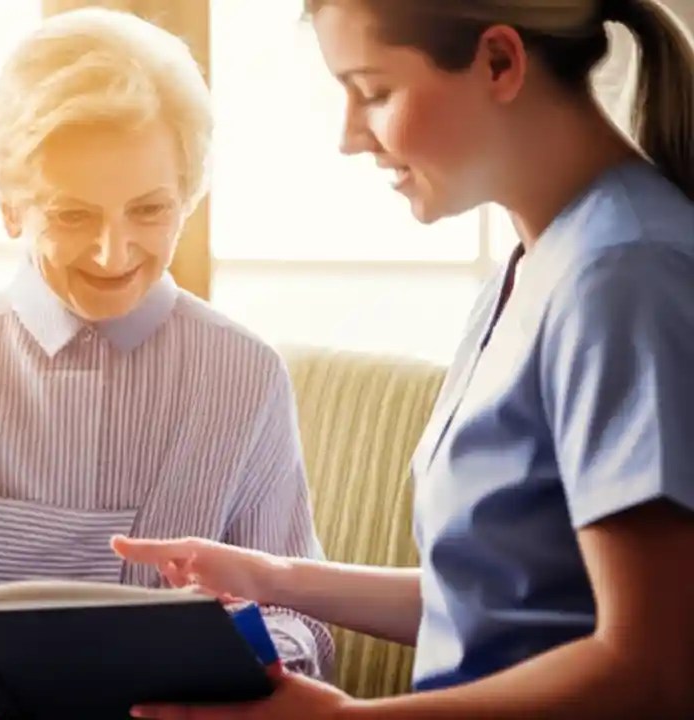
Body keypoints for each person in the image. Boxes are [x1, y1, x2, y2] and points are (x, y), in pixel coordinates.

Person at [113, 0, 694, 718]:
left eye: (376, 92)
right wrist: (272, 576)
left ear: (500, 62)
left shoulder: (625, 277)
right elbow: (496, 606)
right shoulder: (536, 263)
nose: (351, 136)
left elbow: (652, 672)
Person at [0, 8, 336, 720]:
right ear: (11, 206)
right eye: (72, 216)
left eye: (149, 210)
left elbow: (302, 621)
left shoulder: (245, 377)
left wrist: (255, 653)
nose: (112, 252)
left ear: (188, 196)